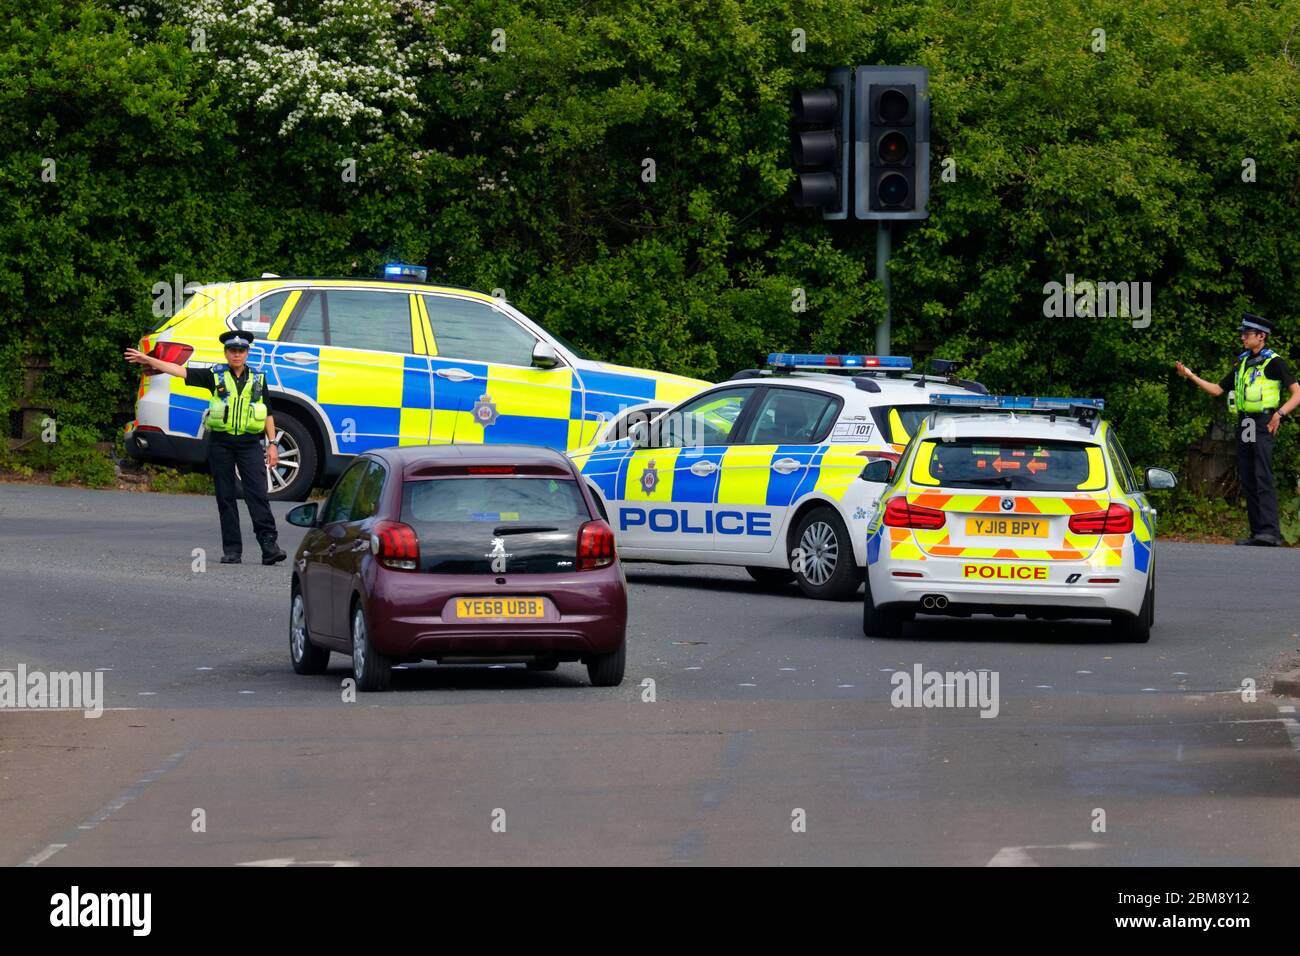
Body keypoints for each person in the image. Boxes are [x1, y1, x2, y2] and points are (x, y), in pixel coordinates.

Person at [125, 330, 287, 564]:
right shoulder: (215, 375)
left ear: (247, 353)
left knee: (257, 494)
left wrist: (272, 445)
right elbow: (181, 371)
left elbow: (268, 414)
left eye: (241, 351)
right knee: (225, 496)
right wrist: (150, 360)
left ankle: (269, 546)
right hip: (221, 444)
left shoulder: (258, 379)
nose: (237, 355)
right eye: (232, 351)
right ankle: (232, 550)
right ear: (226, 353)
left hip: (250, 444)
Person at [1176, 312, 1300, 546]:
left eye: (1247, 334)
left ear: (1261, 336)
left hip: (1264, 421)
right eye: (1243, 334)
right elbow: (1217, 390)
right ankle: (1258, 532)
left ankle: (1271, 533)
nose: (1243, 337)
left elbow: (1298, 393)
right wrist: (1191, 375)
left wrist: (1279, 414)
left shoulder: (1275, 362)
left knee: (1262, 473)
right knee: (1248, 473)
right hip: (1246, 423)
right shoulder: (1243, 362)